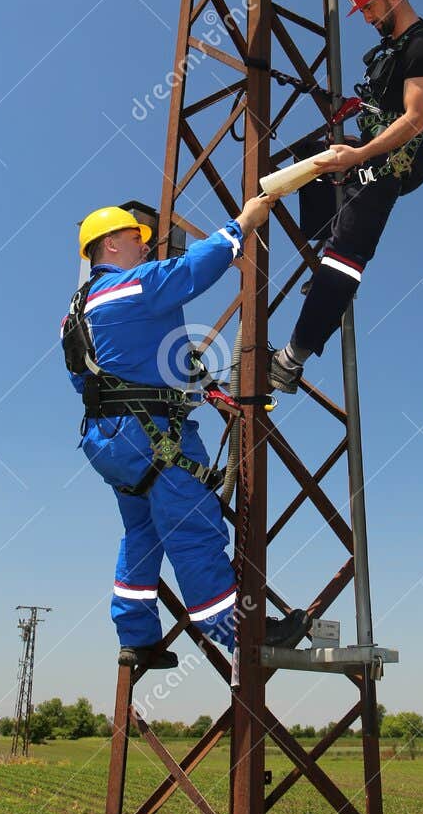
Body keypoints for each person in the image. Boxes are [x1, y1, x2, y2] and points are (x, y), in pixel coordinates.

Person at [62, 201, 311, 667]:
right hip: (148, 435)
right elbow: (192, 269)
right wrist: (241, 226)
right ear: (110, 244)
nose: (144, 242)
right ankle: (247, 636)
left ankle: (137, 639)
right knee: (193, 527)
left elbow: (93, 379)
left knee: (142, 532)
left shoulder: (76, 312)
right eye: (135, 237)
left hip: (107, 440)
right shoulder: (132, 286)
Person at [269, 0, 423, 393]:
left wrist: (360, 155)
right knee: (313, 158)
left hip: (392, 165)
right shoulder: (395, 46)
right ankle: (326, 261)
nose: (367, 19)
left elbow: (415, 119)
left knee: (345, 260)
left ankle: (291, 360)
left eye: (369, 9)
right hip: (369, 153)